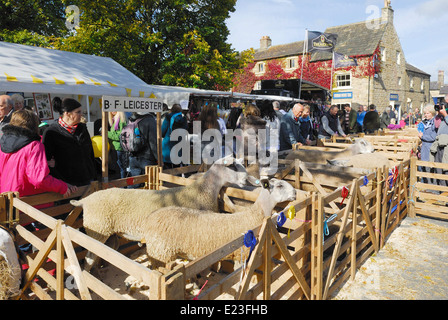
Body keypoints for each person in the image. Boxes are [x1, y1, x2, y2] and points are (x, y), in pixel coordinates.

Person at [0, 109, 77, 198]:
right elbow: (39, 179)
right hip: (29, 201)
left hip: (7, 198)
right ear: (34, 125)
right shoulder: (34, 145)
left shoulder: (3, 143)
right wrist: (62, 186)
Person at [42, 97, 96, 187]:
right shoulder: (51, 132)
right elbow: (46, 160)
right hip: (66, 184)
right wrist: (60, 183)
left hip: (87, 180)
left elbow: (90, 153)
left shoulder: (82, 128)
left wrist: (94, 175)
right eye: (78, 112)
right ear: (67, 114)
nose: (81, 115)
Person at [127, 111, 158, 183]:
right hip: (147, 158)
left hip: (133, 156)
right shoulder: (150, 120)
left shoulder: (131, 119)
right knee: (150, 185)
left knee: (134, 185)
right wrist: (158, 158)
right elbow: (153, 142)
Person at [162, 104, 188, 169]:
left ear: (172, 109)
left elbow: (162, 132)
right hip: (179, 147)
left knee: (167, 172)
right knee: (177, 171)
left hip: (167, 148)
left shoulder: (168, 117)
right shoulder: (184, 119)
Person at [418, 104, 437, 186]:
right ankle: (423, 184)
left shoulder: (434, 122)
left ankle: (430, 185)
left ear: (432, 113)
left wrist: (423, 136)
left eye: (428, 113)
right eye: (425, 113)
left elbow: (434, 136)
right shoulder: (423, 123)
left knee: (430, 167)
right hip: (424, 147)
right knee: (423, 166)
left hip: (431, 147)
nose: (426, 115)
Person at [108, 111, 128, 178]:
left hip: (119, 148)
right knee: (118, 169)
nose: (113, 110)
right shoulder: (115, 119)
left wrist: (106, 133)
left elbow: (119, 136)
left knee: (120, 169)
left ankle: (122, 185)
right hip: (115, 148)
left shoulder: (121, 120)